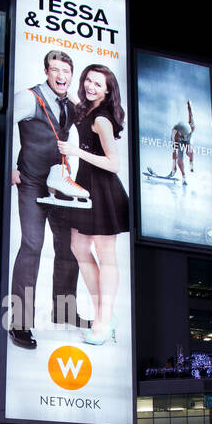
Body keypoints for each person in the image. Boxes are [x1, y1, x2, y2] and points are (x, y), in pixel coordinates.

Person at [7, 50, 90, 349]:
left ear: (71, 74)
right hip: (31, 183)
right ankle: (19, 323)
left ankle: (64, 312)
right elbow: (3, 124)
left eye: (65, 70)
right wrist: (9, 167)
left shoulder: (72, 104)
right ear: (46, 71)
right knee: (32, 246)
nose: (60, 75)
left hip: (59, 186)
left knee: (69, 246)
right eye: (55, 69)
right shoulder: (29, 98)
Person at [56, 64, 131, 346]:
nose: (90, 86)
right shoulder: (84, 109)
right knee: (78, 247)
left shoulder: (101, 119)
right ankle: (103, 316)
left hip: (103, 190)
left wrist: (76, 152)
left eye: (98, 84)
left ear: (108, 89)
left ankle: (102, 324)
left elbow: (114, 164)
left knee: (106, 255)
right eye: (88, 80)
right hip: (84, 186)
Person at [169, 101, 196, 183]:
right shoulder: (175, 134)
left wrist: (189, 106)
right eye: (183, 135)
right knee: (179, 160)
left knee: (190, 152)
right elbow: (175, 152)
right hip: (179, 141)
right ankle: (184, 176)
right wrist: (174, 166)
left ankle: (191, 162)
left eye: (187, 135)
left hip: (187, 141)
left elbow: (190, 114)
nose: (185, 137)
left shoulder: (192, 126)